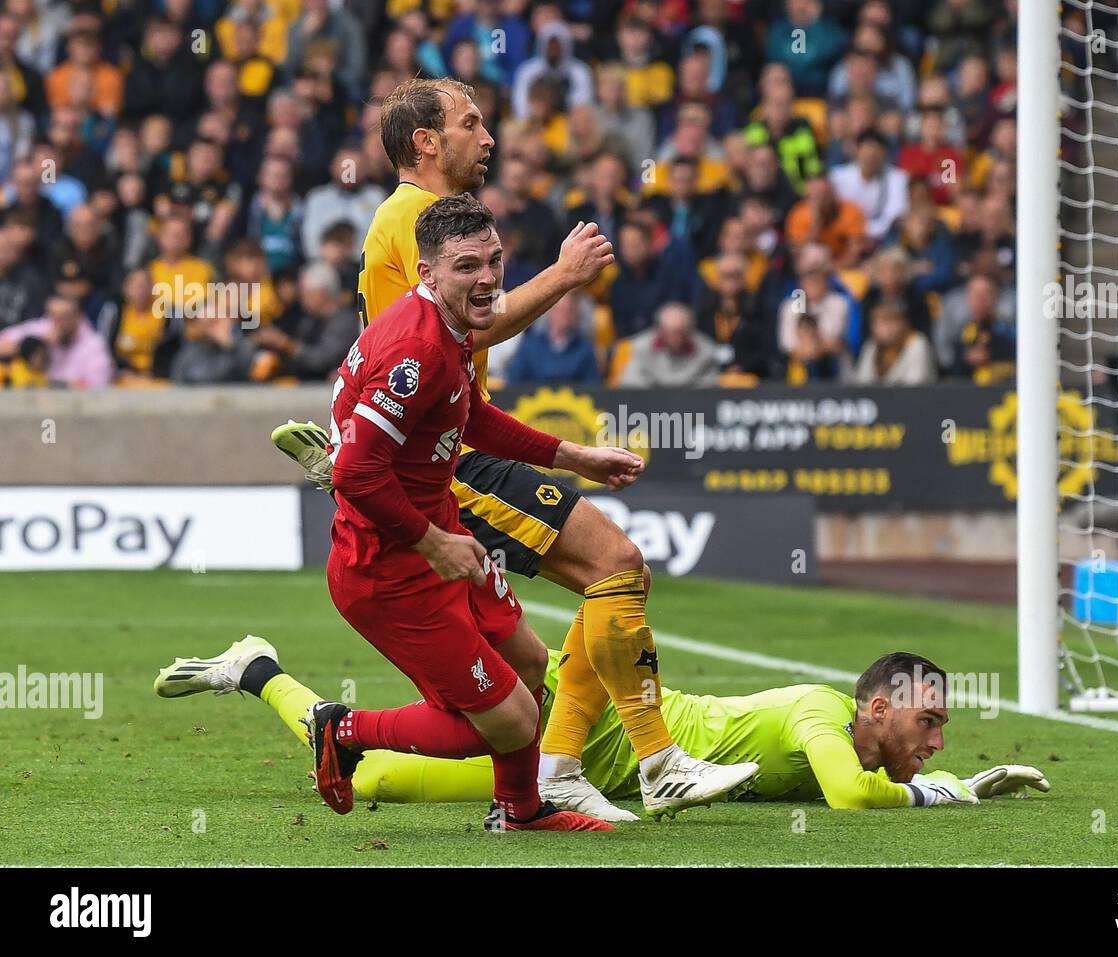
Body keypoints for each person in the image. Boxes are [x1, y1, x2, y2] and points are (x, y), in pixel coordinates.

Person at [271, 78, 759, 821]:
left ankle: (540, 787)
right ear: (426, 142)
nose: (489, 137)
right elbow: (472, 331)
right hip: (447, 475)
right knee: (612, 570)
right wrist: (563, 275)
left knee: (543, 649)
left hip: (451, 445)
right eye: (471, 123)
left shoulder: (427, 239)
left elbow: (453, 373)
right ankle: (638, 761)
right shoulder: (414, 219)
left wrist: (571, 455)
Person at [156, 638, 1052, 812]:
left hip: (611, 767)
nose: (938, 740)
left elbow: (873, 782)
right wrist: (955, 793)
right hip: (606, 739)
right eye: (929, 721)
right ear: (878, 707)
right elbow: (856, 798)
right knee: (491, 677)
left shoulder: (858, 734)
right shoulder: (820, 713)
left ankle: (257, 670)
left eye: (944, 732)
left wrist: (950, 779)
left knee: (378, 777)